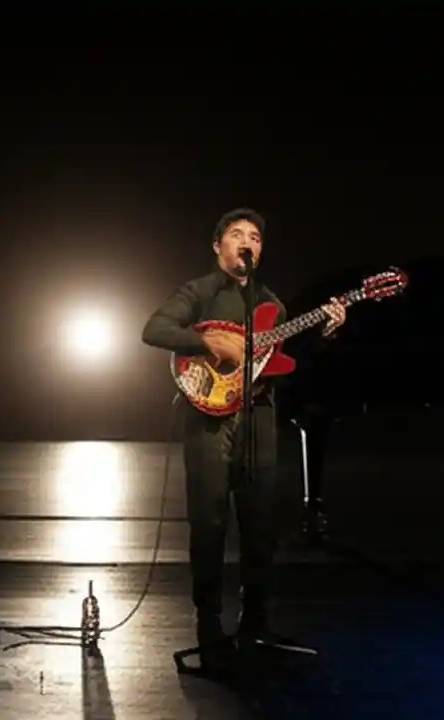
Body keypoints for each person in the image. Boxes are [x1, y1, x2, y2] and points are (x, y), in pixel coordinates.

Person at [141, 207, 346, 662]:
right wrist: (207, 342)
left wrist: (325, 335)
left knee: (260, 527)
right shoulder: (198, 291)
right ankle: (209, 625)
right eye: (236, 234)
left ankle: (256, 624)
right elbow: (153, 329)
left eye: (254, 236)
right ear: (218, 246)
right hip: (208, 420)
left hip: (259, 417)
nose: (246, 241)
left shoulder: (271, 303)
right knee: (209, 523)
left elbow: (290, 362)